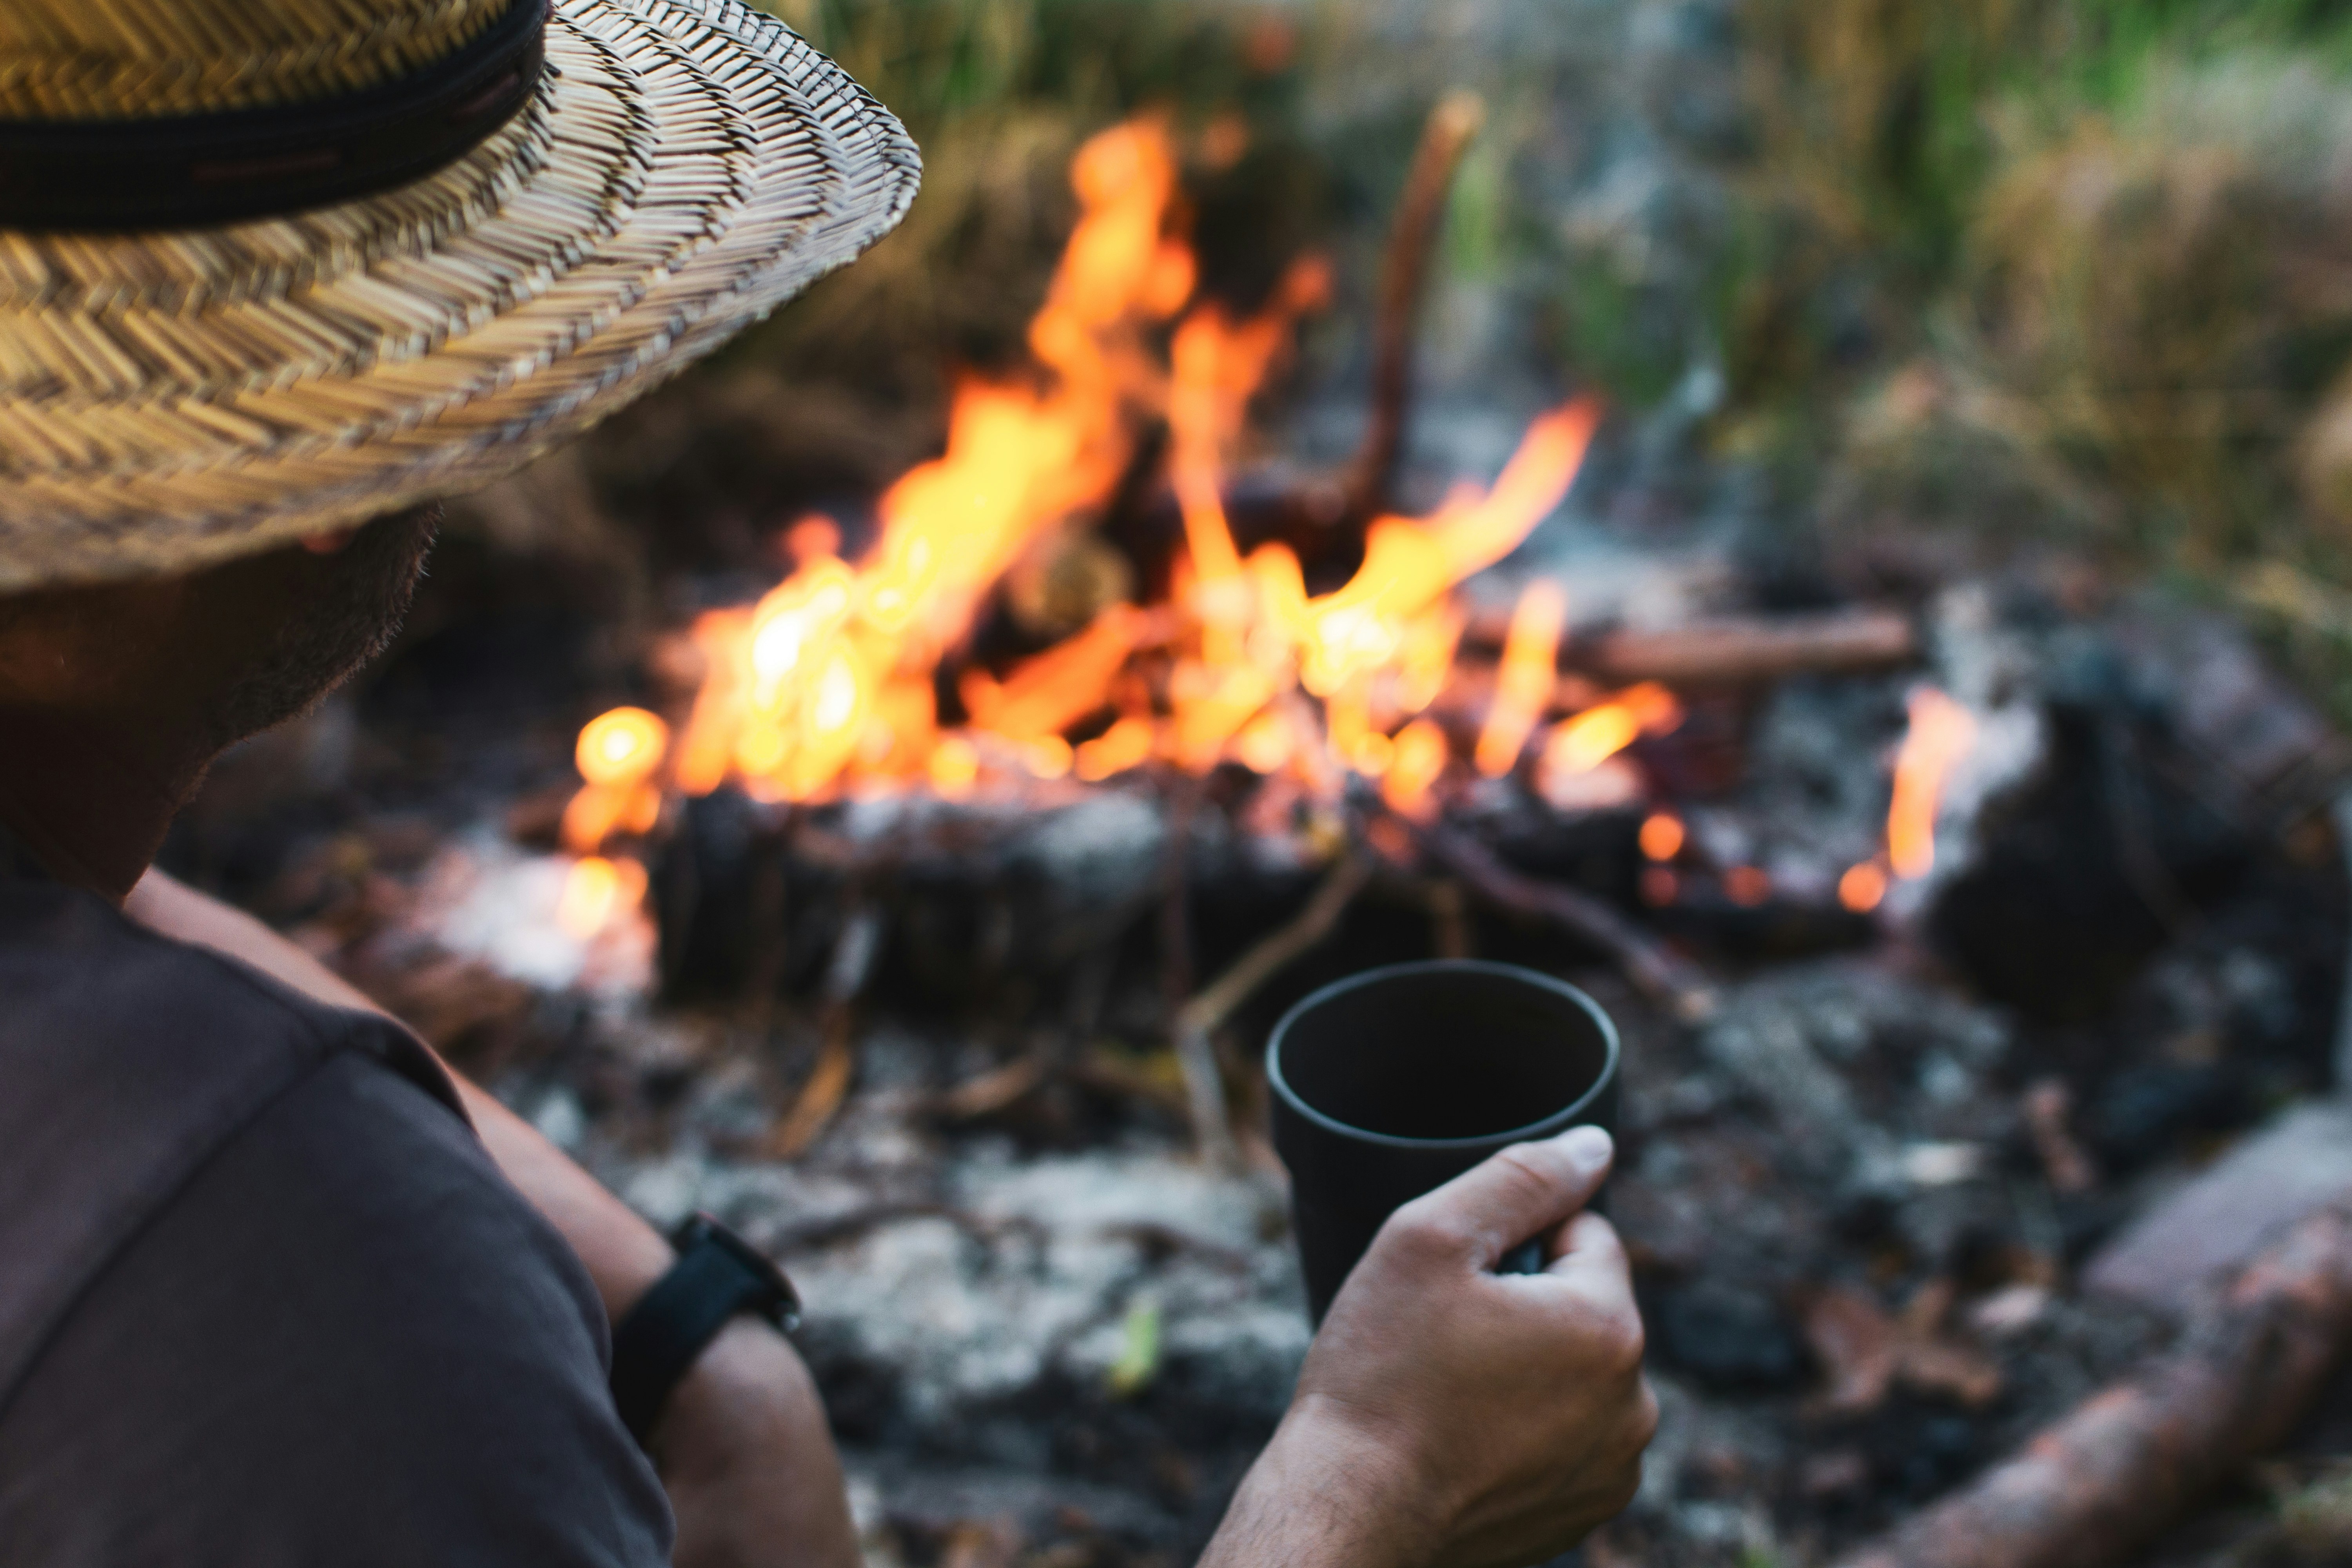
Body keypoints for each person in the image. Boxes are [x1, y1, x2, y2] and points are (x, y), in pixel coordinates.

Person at [0, 0, 1657, 1563]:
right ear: (329, 469)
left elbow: (108, 908)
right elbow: (231, 1182)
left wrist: (694, 1341)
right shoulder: (325, 1314)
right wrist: (1372, 1488)